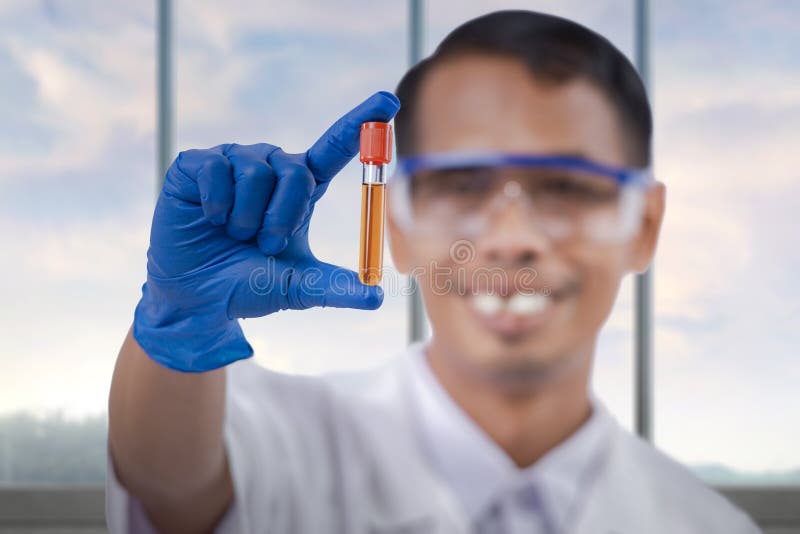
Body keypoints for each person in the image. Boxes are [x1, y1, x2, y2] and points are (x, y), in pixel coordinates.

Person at [106, 10, 760, 534]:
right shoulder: (288, 443)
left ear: (643, 225)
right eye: (463, 184)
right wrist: (177, 326)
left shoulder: (709, 526)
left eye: (564, 187)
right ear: (397, 225)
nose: (511, 239)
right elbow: (170, 481)